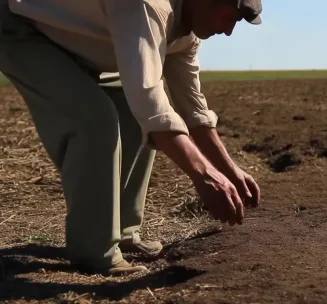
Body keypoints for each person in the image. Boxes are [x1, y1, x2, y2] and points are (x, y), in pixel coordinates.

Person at [0, 0, 262, 275]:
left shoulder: (186, 37)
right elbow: (151, 107)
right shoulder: (148, 7)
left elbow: (193, 111)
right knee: (96, 122)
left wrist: (229, 170)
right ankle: (94, 252)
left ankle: (123, 232)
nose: (230, 31)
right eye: (231, 17)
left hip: (75, 41)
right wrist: (203, 173)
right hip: (23, 28)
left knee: (131, 114)